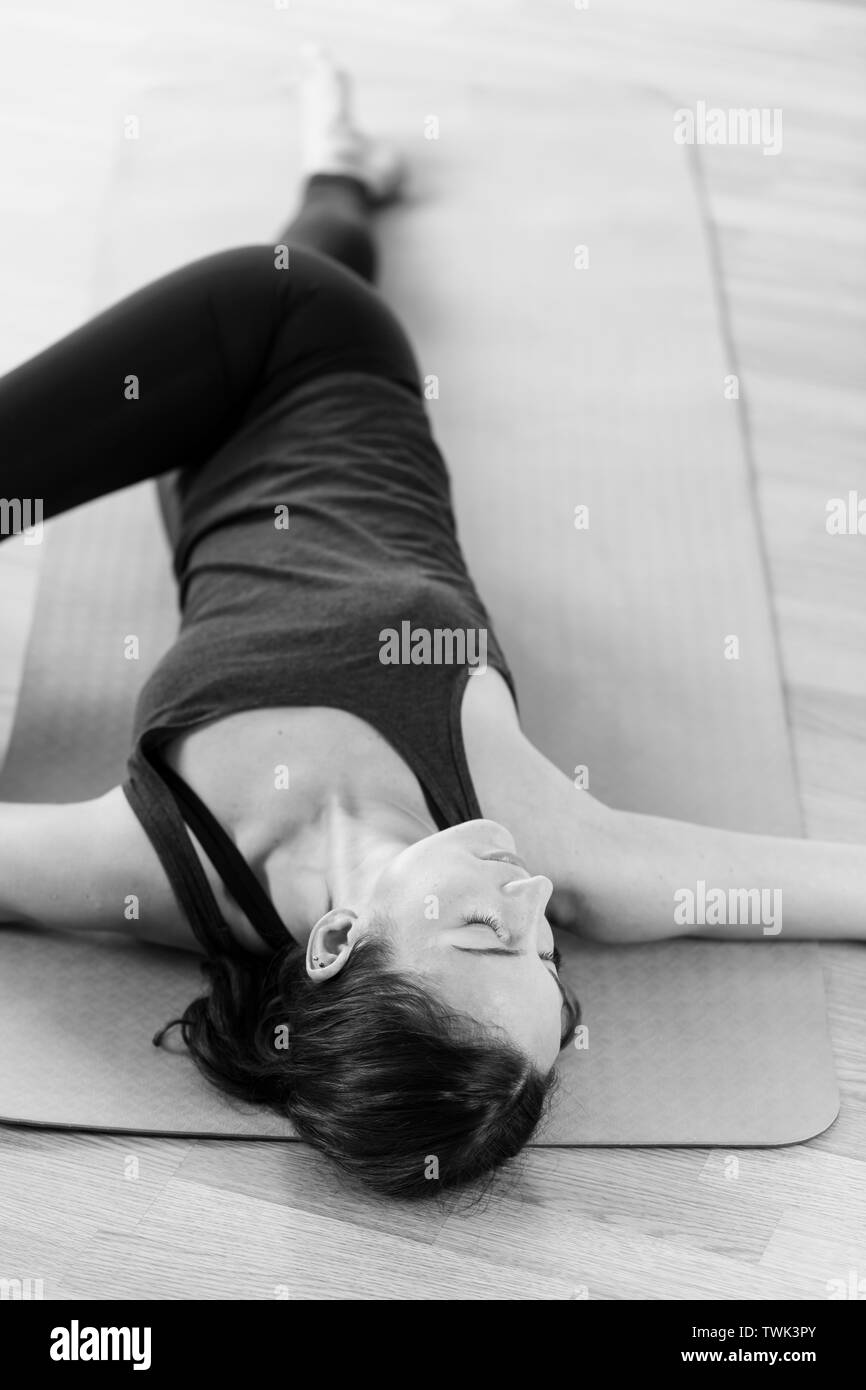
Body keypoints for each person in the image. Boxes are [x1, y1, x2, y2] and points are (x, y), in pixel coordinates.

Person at [1, 49, 863, 1200]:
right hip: (328, 361)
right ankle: (335, 182)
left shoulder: (160, 874)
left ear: (336, 942)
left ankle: (338, 176)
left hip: (237, 405)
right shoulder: (549, 844)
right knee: (309, 262)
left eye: (482, 938)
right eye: (549, 963)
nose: (529, 903)